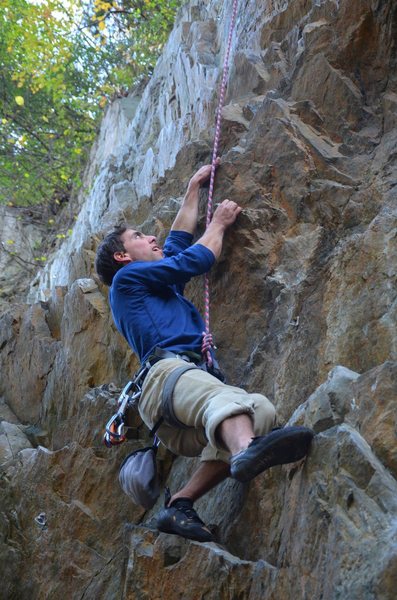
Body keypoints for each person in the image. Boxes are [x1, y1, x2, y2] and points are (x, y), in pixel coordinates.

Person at [95, 161, 314, 543]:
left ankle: (180, 504)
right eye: (140, 236)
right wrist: (219, 224)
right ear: (122, 257)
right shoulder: (126, 280)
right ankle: (246, 450)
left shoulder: (156, 289)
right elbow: (195, 259)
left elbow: (178, 243)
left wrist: (194, 187)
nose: (152, 238)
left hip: (175, 418)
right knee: (227, 401)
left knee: (258, 410)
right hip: (168, 378)